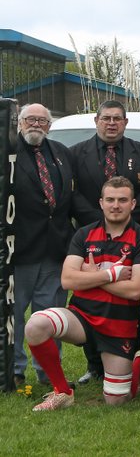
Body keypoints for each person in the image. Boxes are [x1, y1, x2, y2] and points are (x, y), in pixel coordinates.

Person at [25, 177, 140, 411]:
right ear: (101, 202)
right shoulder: (84, 235)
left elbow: (135, 290)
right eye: (110, 200)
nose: (116, 205)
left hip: (119, 325)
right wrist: (111, 275)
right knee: (36, 325)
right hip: (82, 317)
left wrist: (90, 276)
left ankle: (139, 365)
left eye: (123, 200)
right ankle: (62, 392)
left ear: (133, 204)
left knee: (116, 401)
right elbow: (67, 280)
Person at [70, 99, 140, 385]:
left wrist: (127, 213)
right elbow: (72, 193)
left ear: (125, 123)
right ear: (96, 121)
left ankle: (132, 356)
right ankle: (94, 365)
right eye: (106, 118)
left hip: (132, 233)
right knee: (89, 299)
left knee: (129, 297)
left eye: (117, 119)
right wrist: (102, 217)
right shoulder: (76, 153)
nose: (111, 123)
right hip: (89, 232)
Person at [11, 103, 75, 387]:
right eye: (30, 120)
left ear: (49, 125)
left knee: (49, 315)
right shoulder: (7, 153)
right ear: (20, 123)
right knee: (13, 316)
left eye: (42, 120)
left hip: (54, 249)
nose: (36, 125)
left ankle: (48, 373)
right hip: (18, 250)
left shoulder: (61, 153)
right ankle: (12, 370)